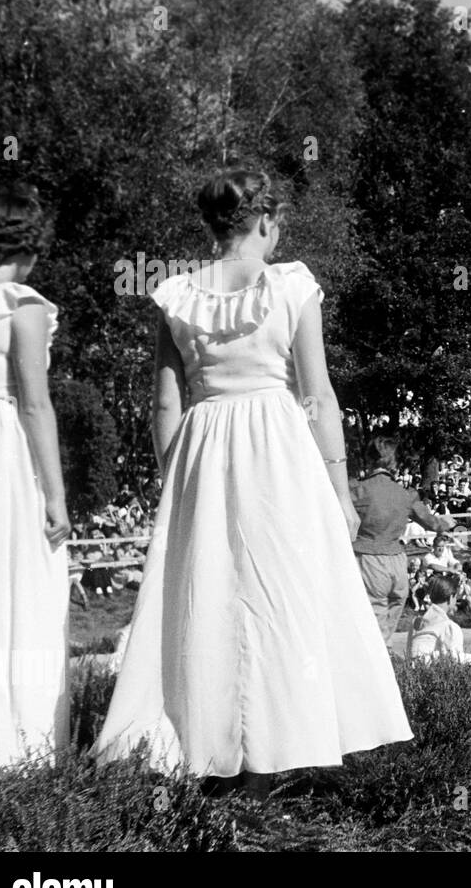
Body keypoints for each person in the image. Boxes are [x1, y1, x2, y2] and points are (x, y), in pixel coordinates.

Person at [93, 169, 412, 785]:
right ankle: (283, 744)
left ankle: (200, 745)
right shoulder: (291, 286)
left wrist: (174, 482)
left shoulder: (176, 295)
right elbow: (318, 396)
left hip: (203, 448)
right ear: (265, 222)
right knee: (284, 594)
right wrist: (339, 490)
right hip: (278, 448)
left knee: (204, 595)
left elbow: (165, 405)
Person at [0, 185, 70, 782]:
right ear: (27, 249)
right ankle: (21, 748)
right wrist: (55, 496)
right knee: (22, 583)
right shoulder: (21, 305)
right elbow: (34, 405)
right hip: (2, 452)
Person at [351, 434, 454, 652]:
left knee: (374, 613)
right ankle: (385, 653)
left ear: (369, 461)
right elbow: (432, 523)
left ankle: (379, 659)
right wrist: (445, 523)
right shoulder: (405, 494)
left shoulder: (357, 490)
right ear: (395, 463)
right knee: (393, 607)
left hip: (370, 558)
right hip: (397, 561)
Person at [407, 574, 471, 663]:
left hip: (411, 670)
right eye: (455, 597)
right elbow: (455, 661)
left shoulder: (416, 621)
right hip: (430, 672)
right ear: (450, 597)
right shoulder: (449, 626)